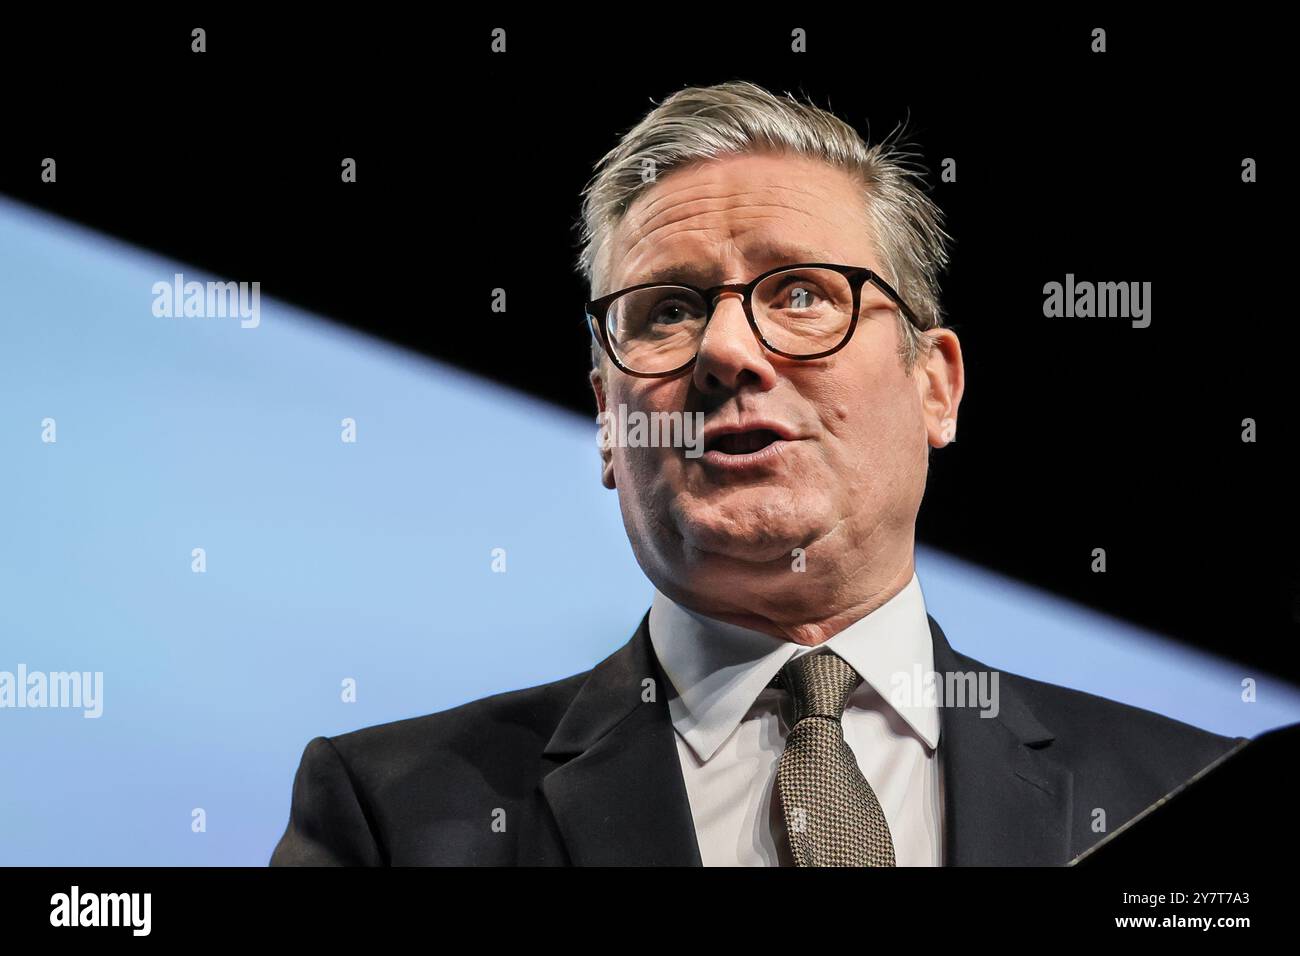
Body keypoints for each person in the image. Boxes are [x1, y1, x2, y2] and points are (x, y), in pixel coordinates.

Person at [270, 81, 1243, 866]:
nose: (727, 350)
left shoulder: (1187, 795)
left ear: (935, 384)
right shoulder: (392, 818)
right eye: (663, 311)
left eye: (802, 292)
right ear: (607, 421)